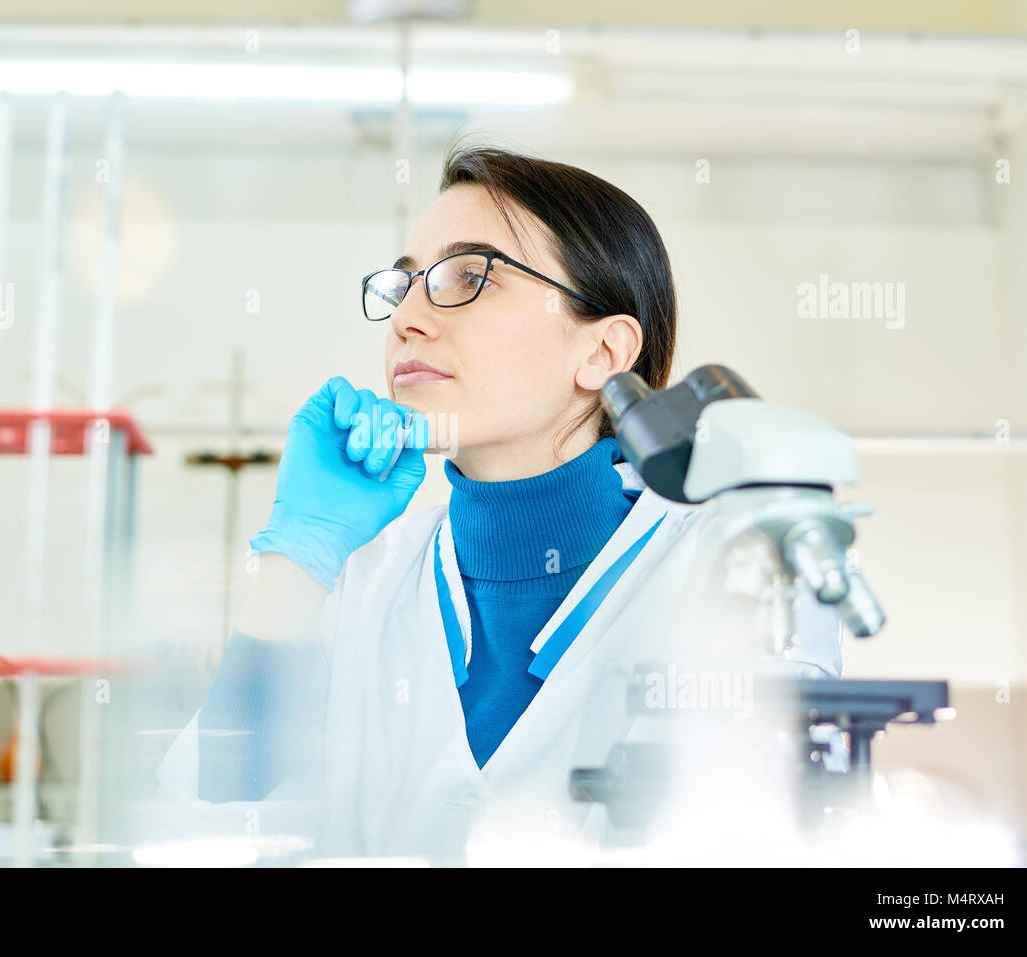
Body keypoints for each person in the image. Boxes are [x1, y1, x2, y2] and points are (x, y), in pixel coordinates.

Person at [157, 146, 841, 860]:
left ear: (604, 353)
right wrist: (297, 556)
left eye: (467, 274)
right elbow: (208, 824)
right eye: (405, 283)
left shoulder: (738, 564)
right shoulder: (361, 577)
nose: (407, 319)